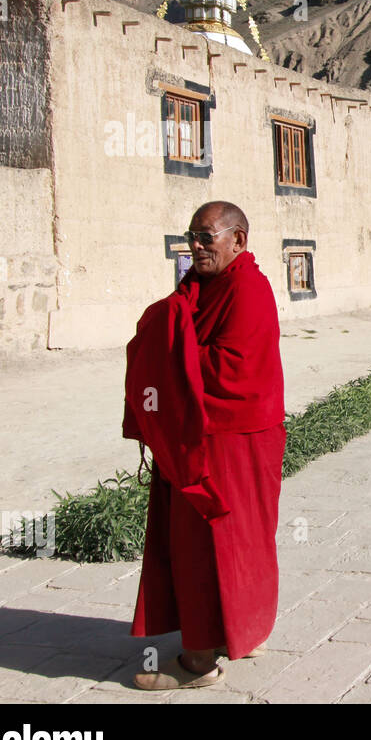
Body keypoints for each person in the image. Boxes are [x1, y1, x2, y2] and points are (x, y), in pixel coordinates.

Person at [124, 201, 286, 689]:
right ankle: (240, 632)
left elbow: (231, 371)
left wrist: (168, 347)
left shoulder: (248, 289)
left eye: (206, 236)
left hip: (230, 440)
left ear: (238, 240)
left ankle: (198, 661)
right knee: (234, 544)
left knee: (208, 545)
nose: (195, 245)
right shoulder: (200, 286)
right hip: (208, 436)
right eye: (192, 235)